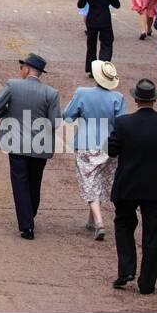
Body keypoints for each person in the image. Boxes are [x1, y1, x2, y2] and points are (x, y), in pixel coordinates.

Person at [108, 78, 157, 293]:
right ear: (154, 99)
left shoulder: (123, 123)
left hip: (128, 183)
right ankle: (147, 283)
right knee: (153, 234)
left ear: (136, 99)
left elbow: (112, 150)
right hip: (156, 185)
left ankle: (126, 270)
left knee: (124, 226)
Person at [0, 53, 61, 240]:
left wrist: (8, 112)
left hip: (16, 142)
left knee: (19, 182)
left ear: (27, 68)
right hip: (41, 145)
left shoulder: (13, 85)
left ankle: (26, 224)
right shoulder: (51, 93)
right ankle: (30, 214)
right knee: (34, 182)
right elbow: (55, 123)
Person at [64, 60, 126, 241]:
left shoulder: (82, 93)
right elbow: (120, 123)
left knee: (88, 180)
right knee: (98, 179)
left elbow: (68, 116)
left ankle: (99, 222)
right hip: (109, 144)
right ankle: (91, 219)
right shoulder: (118, 98)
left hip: (85, 142)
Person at [78, 0, 121, 75]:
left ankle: (92, 69)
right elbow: (117, 5)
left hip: (92, 19)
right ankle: (103, 69)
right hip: (105, 19)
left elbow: (80, 5)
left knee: (91, 45)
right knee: (106, 44)